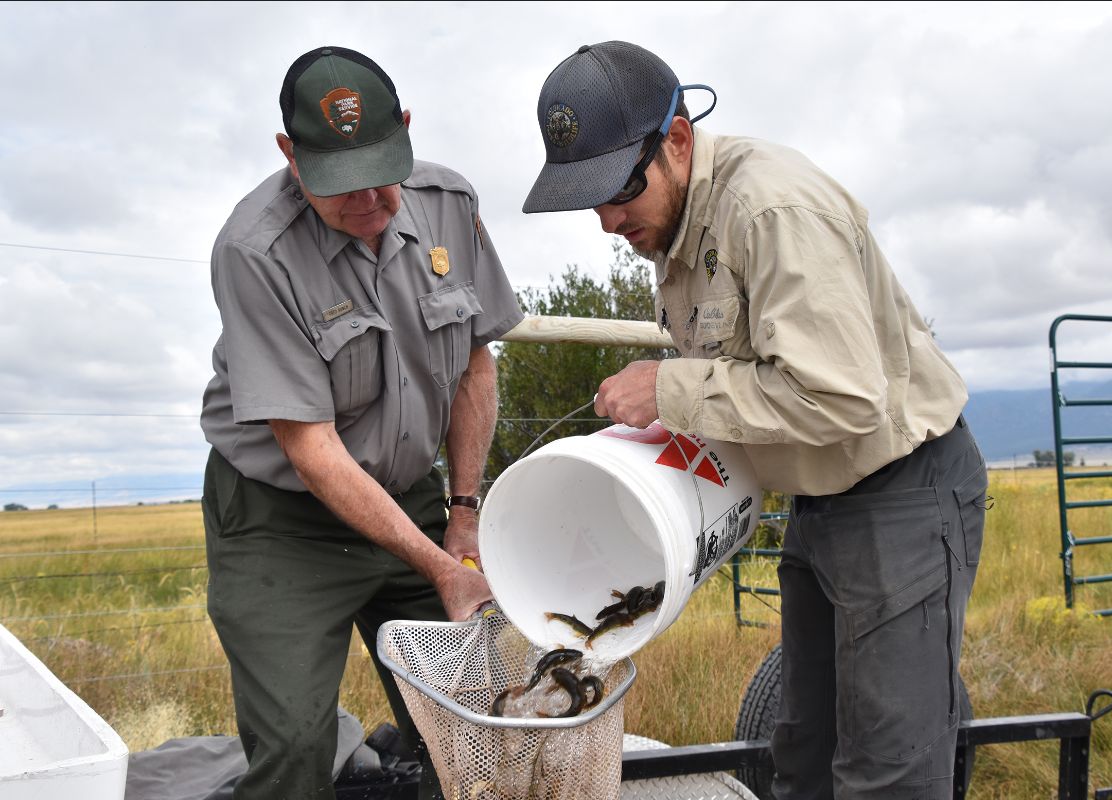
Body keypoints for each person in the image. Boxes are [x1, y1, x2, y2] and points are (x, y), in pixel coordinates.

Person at [523, 41, 987, 800]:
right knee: (804, 753)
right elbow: (752, 380)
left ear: (677, 140)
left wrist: (670, 388)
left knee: (888, 771)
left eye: (620, 189)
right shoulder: (677, 224)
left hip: (899, 490)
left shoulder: (769, 210)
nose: (608, 219)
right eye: (590, 199)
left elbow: (843, 397)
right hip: (820, 496)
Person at [200, 45, 523, 800]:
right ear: (290, 155)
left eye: (381, 172)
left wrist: (464, 515)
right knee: (294, 746)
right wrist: (441, 570)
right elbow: (311, 450)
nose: (369, 201)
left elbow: (474, 364)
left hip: (413, 496)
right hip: (285, 519)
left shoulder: (450, 203)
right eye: (339, 184)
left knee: (476, 719)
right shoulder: (254, 251)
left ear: (404, 129)